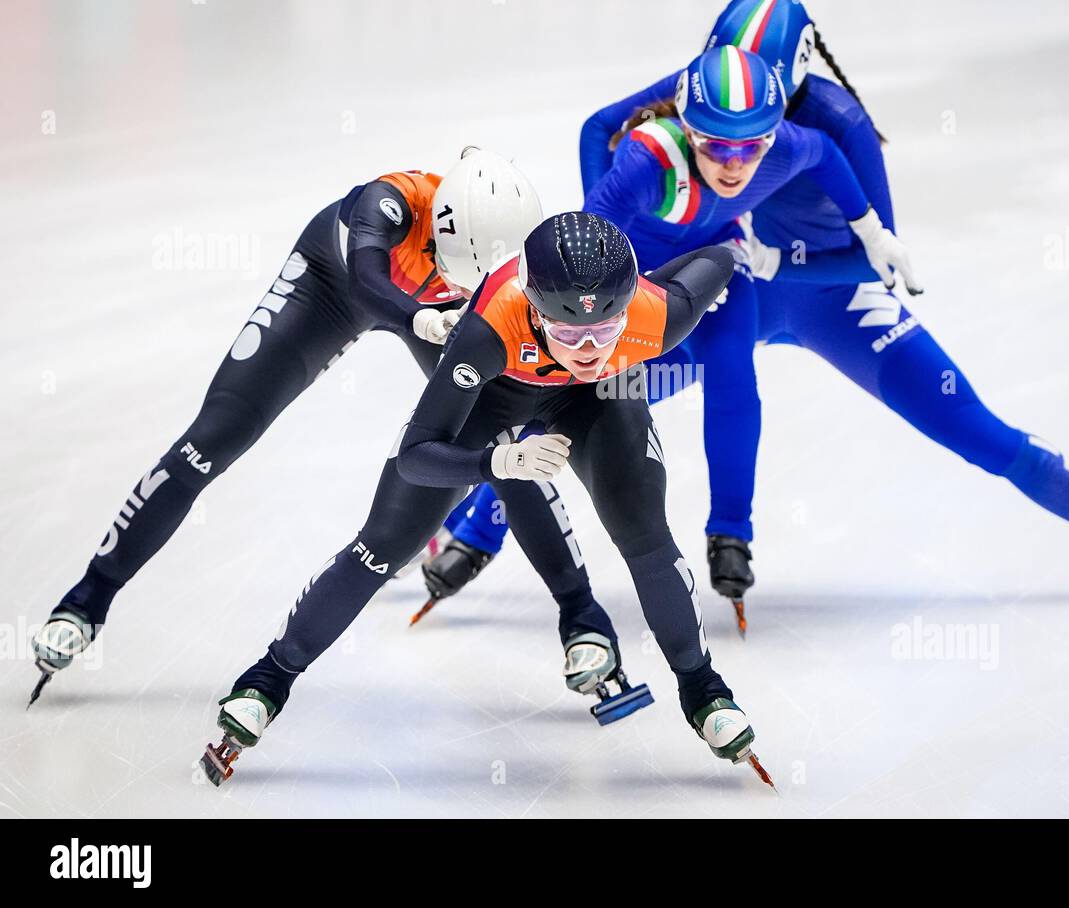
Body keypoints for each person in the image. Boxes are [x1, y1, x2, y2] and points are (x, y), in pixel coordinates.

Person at [430, 0, 1069, 630]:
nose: (736, 151)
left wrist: (780, 259)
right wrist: (631, 238)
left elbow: (878, 257)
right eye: (720, 138)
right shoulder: (724, 86)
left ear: (791, 86)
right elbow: (605, 126)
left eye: (756, 136)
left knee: (975, 429)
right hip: (725, 293)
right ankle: (478, 524)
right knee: (589, 400)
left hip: (824, 298)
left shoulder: (830, 123)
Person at [200, 212, 773, 789]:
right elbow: (417, 454)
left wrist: (662, 282)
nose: (590, 348)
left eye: (607, 329)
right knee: (383, 546)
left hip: (598, 400)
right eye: (571, 334)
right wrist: (494, 463)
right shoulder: (488, 329)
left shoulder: (654, 316)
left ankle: (703, 689)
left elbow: (717, 260)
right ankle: (268, 678)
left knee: (646, 536)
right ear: (533, 308)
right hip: (493, 397)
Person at [27, 148, 576, 705]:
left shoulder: (506, 257)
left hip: (435, 317)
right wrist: (420, 316)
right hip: (332, 287)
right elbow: (366, 281)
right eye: (460, 276)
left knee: (495, 433)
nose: (465, 287)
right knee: (213, 437)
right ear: (440, 233)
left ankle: (576, 612)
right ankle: (87, 597)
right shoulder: (390, 202)